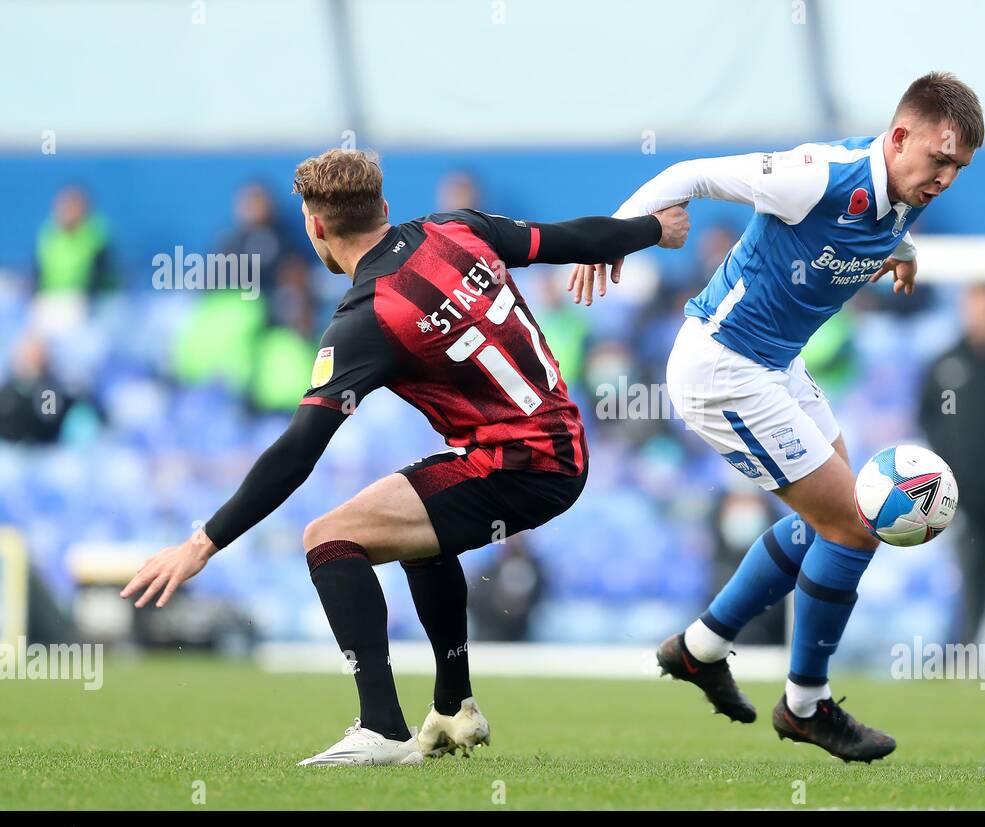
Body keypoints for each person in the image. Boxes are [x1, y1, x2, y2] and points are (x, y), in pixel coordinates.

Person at [121, 148, 689, 766]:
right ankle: (453, 707)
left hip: (522, 462)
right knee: (414, 522)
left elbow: (297, 451)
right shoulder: (456, 230)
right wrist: (651, 230)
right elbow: (568, 238)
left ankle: (381, 728)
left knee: (328, 538)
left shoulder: (366, 320)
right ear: (385, 209)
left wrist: (202, 542)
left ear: (314, 227)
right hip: (552, 445)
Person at [570, 71, 984, 763]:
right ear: (900, 135)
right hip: (722, 367)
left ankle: (701, 648)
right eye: (939, 160)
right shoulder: (815, 175)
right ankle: (805, 707)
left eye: (959, 168)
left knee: (831, 520)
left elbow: (885, 225)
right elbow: (690, 174)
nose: (945, 178)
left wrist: (903, 255)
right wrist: (612, 236)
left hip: (776, 365)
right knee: (854, 526)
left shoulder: (908, 190)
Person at [918, 283, 985, 643]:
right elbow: (926, 416)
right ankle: (962, 642)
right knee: (966, 562)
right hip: (955, 486)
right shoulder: (947, 362)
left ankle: (970, 642)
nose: (980, 316)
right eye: (974, 308)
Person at [35, 186, 114, 295]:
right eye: (66, 206)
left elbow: (101, 274)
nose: (69, 211)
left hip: (86, 298)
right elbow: (37, 271)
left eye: (74, 206)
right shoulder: (48, 234)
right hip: (52, 296)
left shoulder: (97, 236)